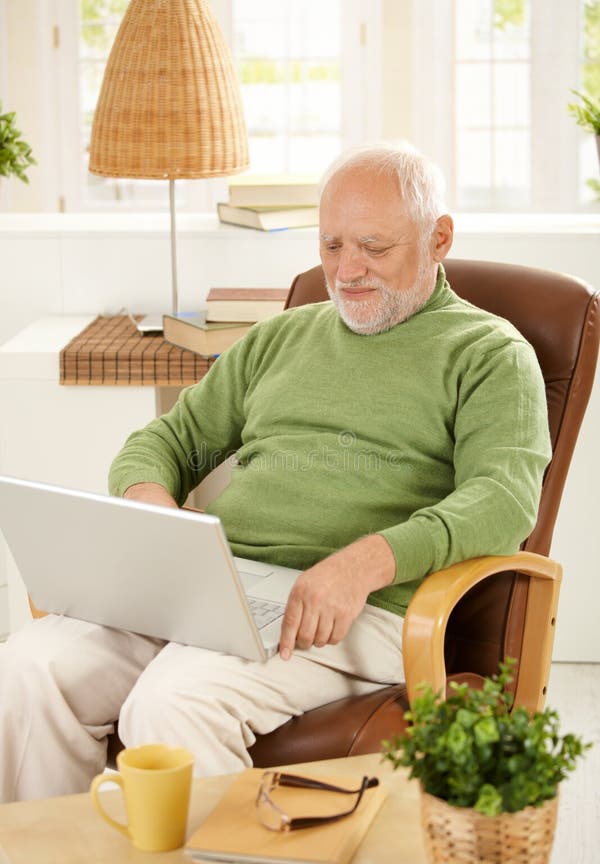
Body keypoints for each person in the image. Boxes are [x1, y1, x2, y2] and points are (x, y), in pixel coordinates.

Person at [0, 143, 551, 802]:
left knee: (172, 706)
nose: (347, 271)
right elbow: (169, 441)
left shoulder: (488, 353)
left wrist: (367, 562)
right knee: (28, 670)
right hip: (216, 588)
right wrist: (152, 505)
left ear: (439, 238)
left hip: (361, 608)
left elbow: (503, 499)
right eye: (332, 246)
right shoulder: (280, 338)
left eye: (374, 248)